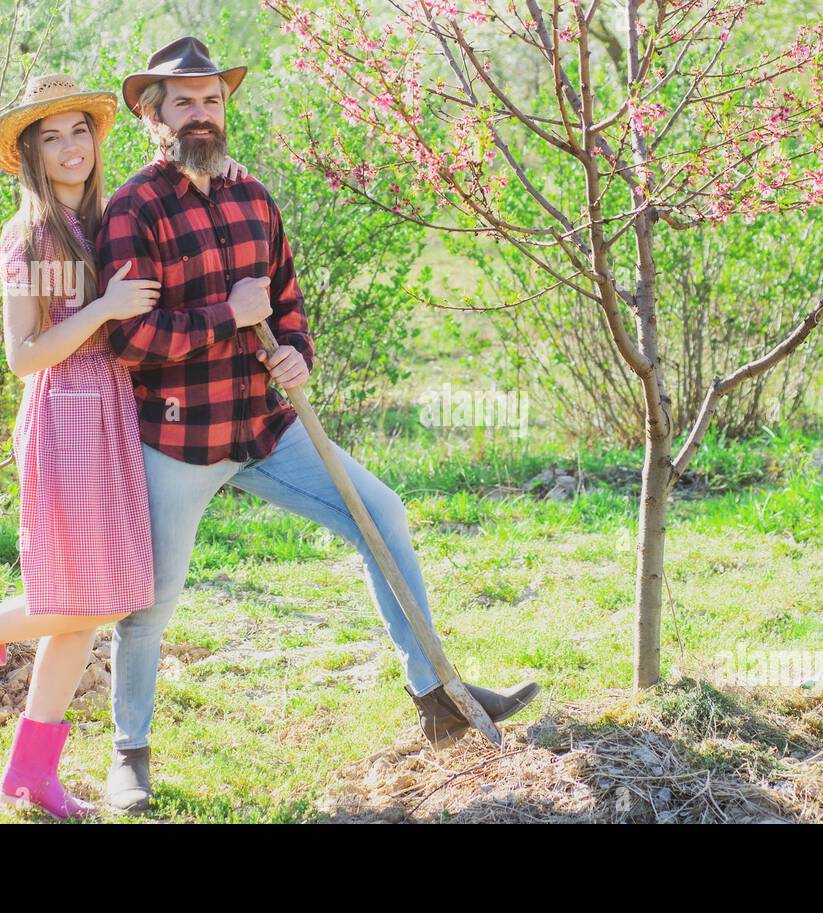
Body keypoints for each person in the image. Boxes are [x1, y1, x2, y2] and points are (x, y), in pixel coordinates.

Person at [96, 36, 540, 813]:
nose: (202, 114)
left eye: (213, 100)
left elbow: (288, 304)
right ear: (152, 115)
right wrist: (223, 317)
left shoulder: (253, 198)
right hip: (178, 436)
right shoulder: (134, 209)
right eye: (185, 102)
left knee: (382, 516)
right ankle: (129, 753)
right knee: (153, 602)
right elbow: (128, 341)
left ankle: (435, 692)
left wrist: (296, 355)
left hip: (269, 427)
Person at [0, 74, 251, 819]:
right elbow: (25, 355)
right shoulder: (33, 233)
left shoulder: (101, 216)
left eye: (80, 132)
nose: (71, 148)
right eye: (52, 136)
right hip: (66, 414)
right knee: (79, 596)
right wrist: (105, 307)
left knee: (88, 606)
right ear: (30, 152)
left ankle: (29, 771)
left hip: (110, 412)